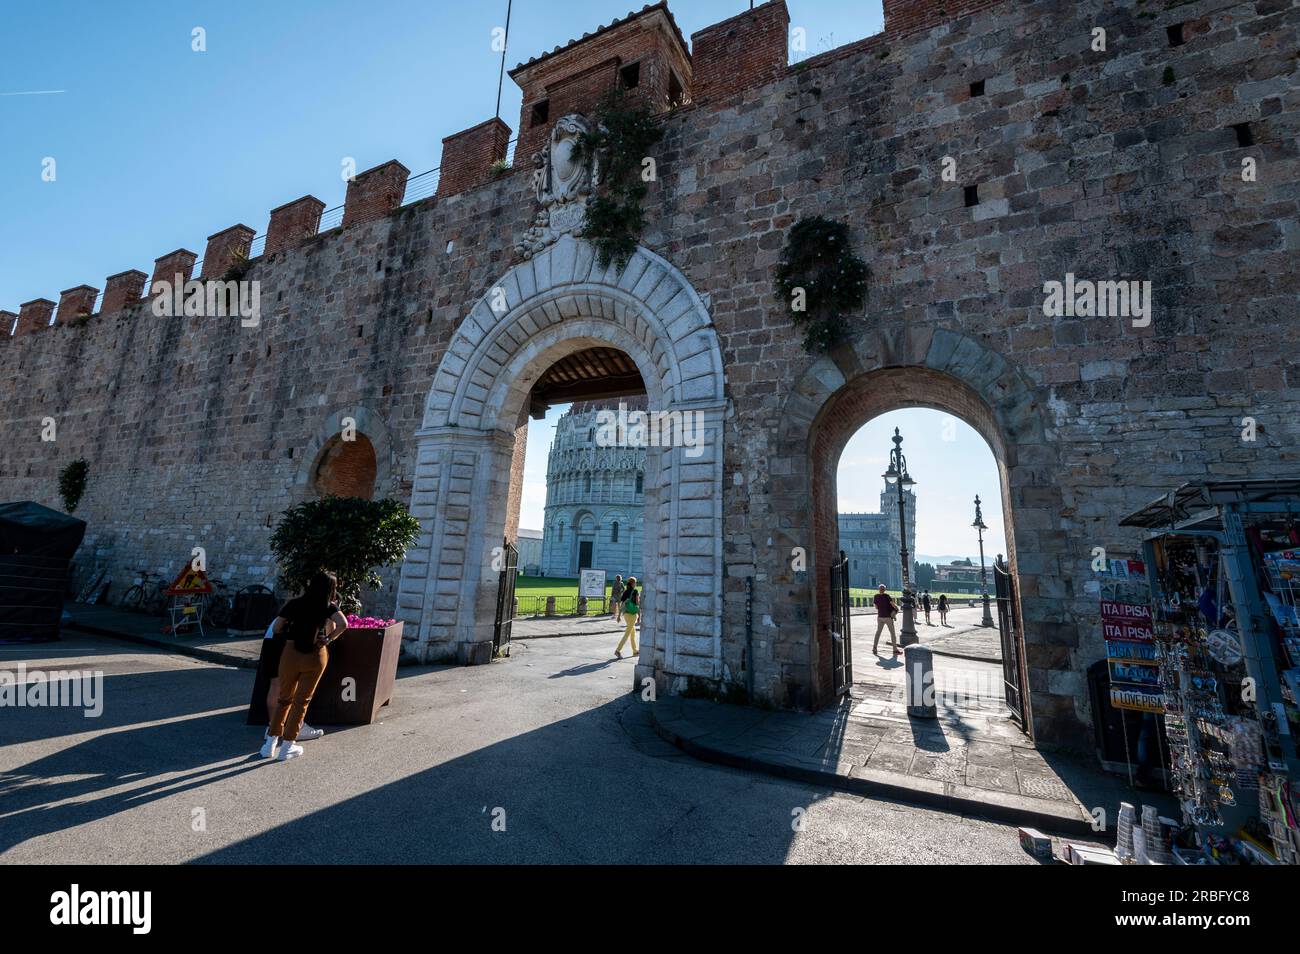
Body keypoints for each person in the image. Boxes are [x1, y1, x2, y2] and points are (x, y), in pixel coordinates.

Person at [260, 571, 349, 761]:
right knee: (302, 701)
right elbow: (343, 624)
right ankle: (288, 747)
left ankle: (269, 744)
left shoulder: (294, 603)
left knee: (284, 698)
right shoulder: (328, 606)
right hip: (315, 655)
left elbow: (276, 628)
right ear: (331, 589)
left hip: (290, 652)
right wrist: (327, 640)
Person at [871, 584, 900, 656]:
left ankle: (874, 648)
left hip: (880, 617)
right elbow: (893, 604)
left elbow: (876, 607)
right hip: (888, 617)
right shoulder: (887, 596)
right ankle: (895, 650)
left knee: (878, 633)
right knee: (892, 634)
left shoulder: (876, 596)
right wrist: (896, 609)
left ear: (878, 589)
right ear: (884, 590)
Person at [614, 576, 639, 658]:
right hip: (632, 614)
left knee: (633, 633)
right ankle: (618, 650)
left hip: (625, 614)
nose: (636, 584)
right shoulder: (635, 591)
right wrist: (639, 615)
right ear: (632, 583)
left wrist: (618, 616)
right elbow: (637, 604)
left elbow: (622, 604)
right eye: (635, 582)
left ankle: (635, 651)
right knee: (627, 634)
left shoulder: (625, 592)